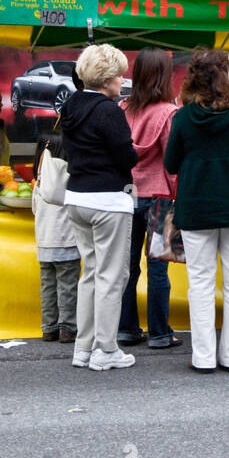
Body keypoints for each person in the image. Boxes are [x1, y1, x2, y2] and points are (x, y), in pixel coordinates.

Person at [164, 49, 229, 373]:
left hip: (196, 207)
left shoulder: (182, 117)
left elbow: (170, 164)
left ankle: (203, 357)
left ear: (193, 77)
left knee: (200, 283)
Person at [60, 44, 139, 372]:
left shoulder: (71, 105)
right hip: (109, 200)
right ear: (106, 79)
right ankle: (106, 350)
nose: (123, 80)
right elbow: (127, 157)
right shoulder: (110, 111)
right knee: (112, 276)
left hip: (77, 198)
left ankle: (84, 347)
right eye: (119, 74)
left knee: (90, 274)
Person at [118, 48, 181, 349]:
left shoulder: (123, 108)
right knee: (157, 266)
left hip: (128, 193)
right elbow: (173, 161)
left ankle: (127, 329)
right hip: (160, 196)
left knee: (128, 265)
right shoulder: (169, 113)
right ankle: (159, 333)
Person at [32, 128, 79, 345]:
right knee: (67, 287)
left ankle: (48, 328)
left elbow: (34, 209)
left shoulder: (39, 181)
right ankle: (68, 328)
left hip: (44, 243)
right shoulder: (69, 181)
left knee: (47, 286)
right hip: (67, 241)